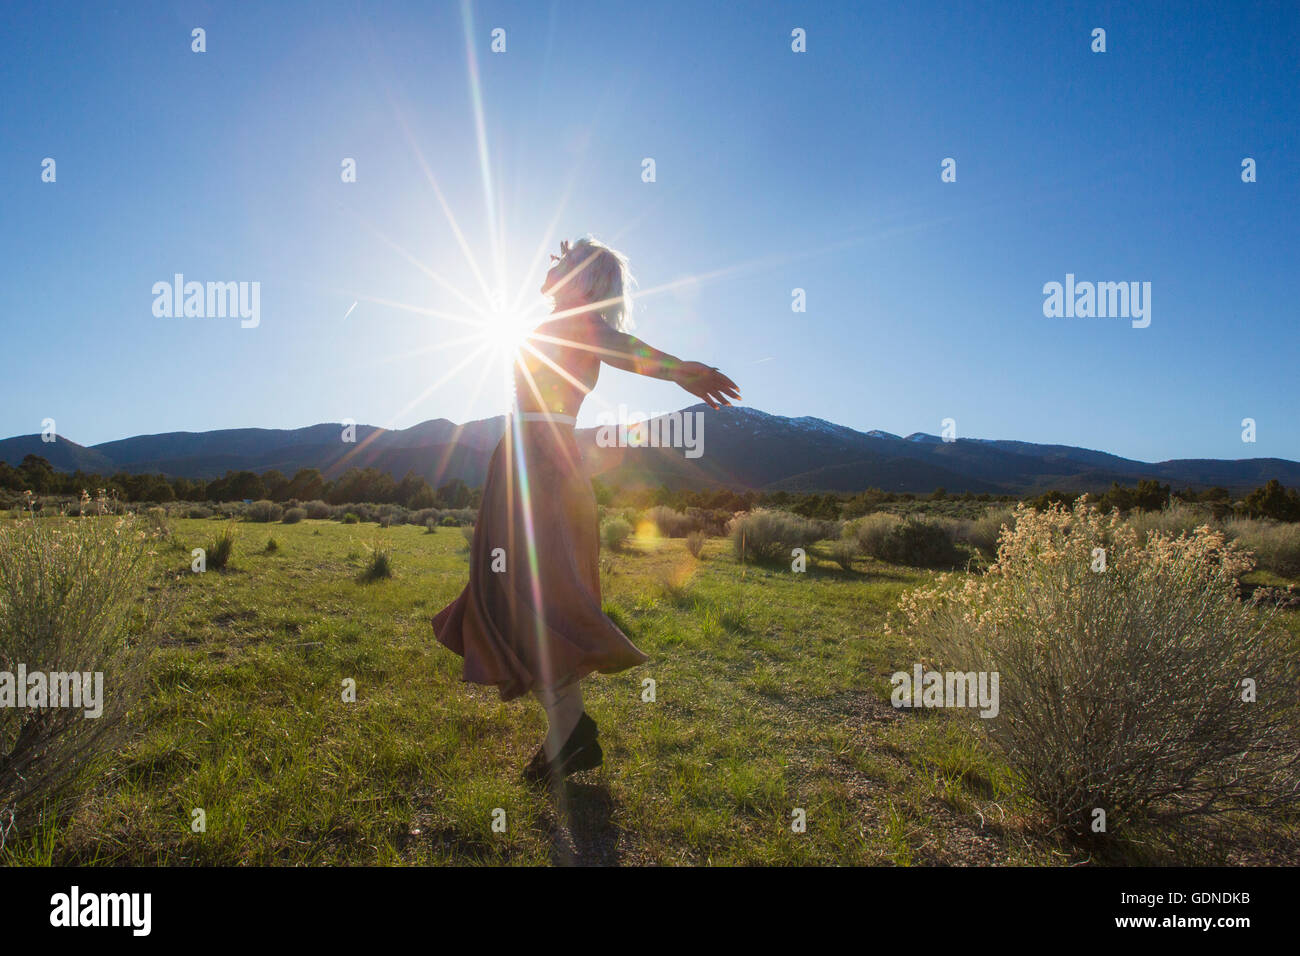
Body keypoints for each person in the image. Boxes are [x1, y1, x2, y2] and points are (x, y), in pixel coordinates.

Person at [432, 237, 740, 786]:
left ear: (584, 281)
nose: (553, 265)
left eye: (567, 263)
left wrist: (682, 370)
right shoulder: (558, 321)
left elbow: (627, 349)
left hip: (540, 465)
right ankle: (568, 729)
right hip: (528, 459)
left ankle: (569, 731)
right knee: (516, 591)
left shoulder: (582, 325)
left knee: (523, 592)